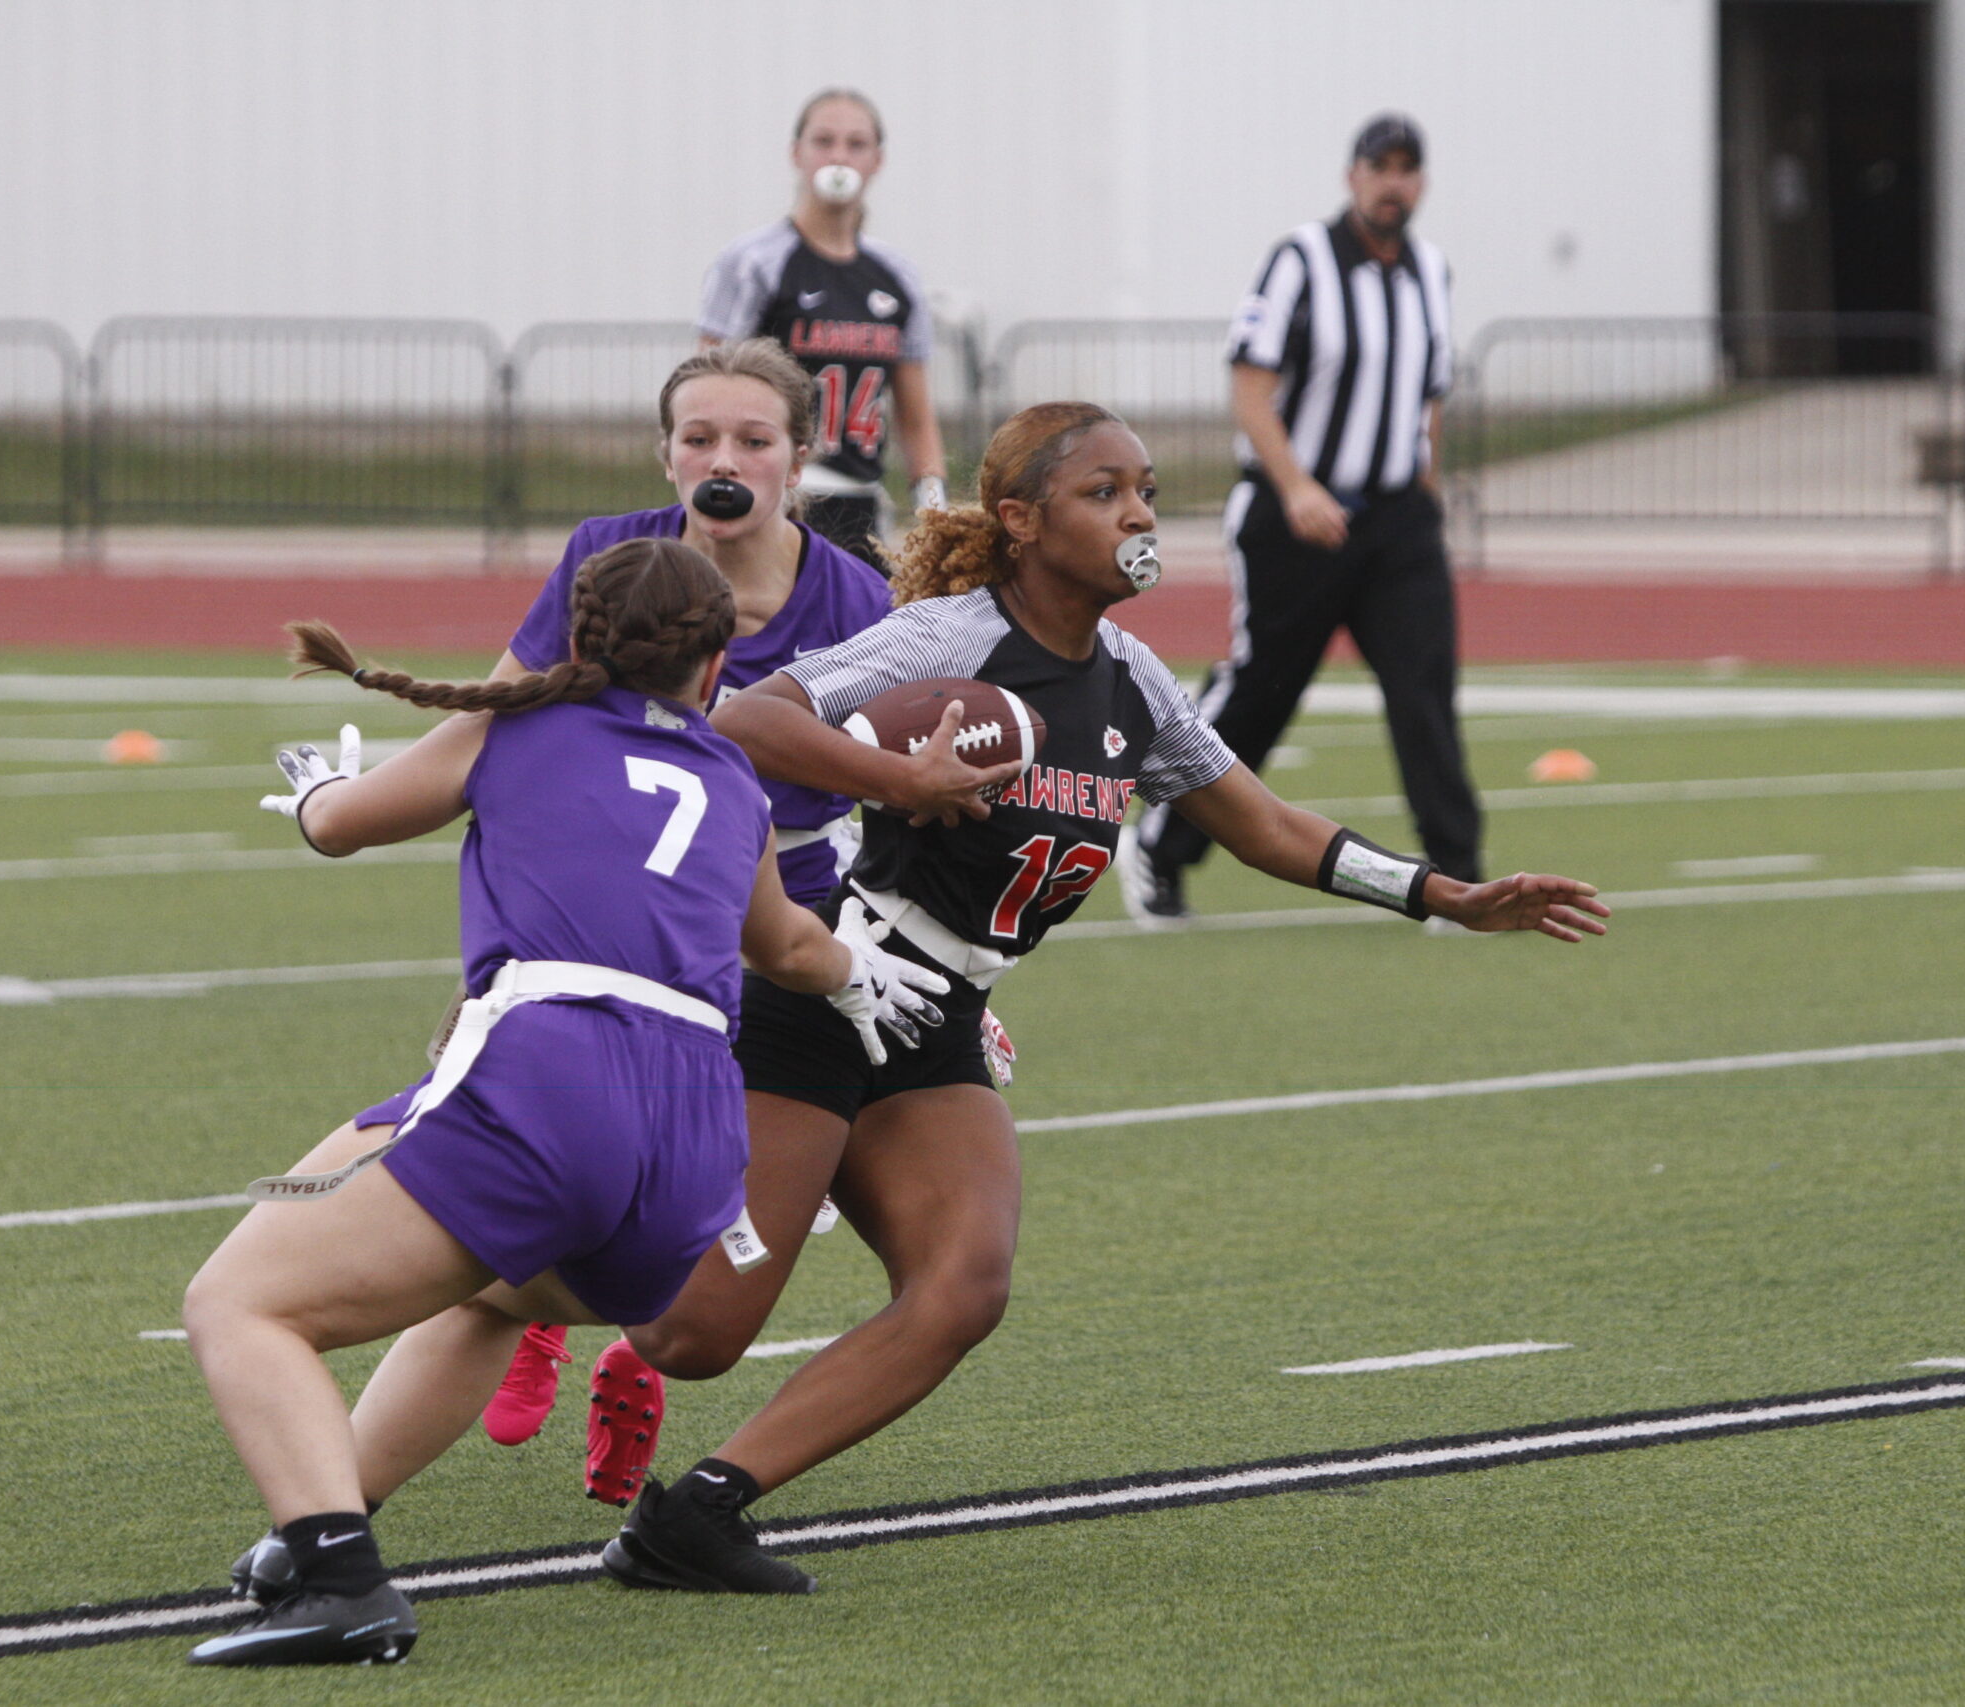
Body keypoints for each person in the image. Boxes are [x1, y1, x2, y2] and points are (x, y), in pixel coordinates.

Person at [579, 401, 1608, 1594]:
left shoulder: (1130, 678)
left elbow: (1266, 826)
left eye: (1146, 491)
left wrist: (1442, 895)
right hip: (829, 991)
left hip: (942, 1021)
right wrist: (894, 774)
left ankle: (696, 1516)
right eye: (1103, 493)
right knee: (690, 1338)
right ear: (1019, 521)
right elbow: (750, 717)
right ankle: (514, 1269)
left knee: (963, 1288)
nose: (1136, 515)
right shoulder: (944, 638)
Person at [179, 538, 947, 1664]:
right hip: (692, 1147)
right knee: (487, 1293)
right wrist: (862, 973)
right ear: (717, 660)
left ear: (576, 638)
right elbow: (787, 945)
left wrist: (318, 789)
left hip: (551, 1082)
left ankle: (341, 1580)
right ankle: (316, 1537)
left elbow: (341, 827)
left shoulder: (513, 725)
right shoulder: (731, 776)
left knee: (237, 1302)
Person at [465, 339, 1014, 1487]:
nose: (725, 459)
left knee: (733, 1184)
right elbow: (514, 710)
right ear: (665, 454)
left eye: (753, 440)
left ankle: (636, 1354)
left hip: (793, 920)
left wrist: (941, 978)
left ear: (799, 460)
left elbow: (905, 802)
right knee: (573, 1122)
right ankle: (538, 1312)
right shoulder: (605, 556)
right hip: (621, 908)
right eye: (700, 438)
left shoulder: (859, 595)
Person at [1121, 112, 1485, 929]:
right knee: (1261, 693)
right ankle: (1161, 849)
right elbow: (1250, 390)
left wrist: (1425, 488)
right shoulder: (1303, 262)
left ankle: (1459, 881)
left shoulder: (1432, 270)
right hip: (1297, 512)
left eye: (1407, 169)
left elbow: (1426, 396)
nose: (1393, 183)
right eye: (1379, 166)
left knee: (1425, 689)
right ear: (1352, 175)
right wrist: (1297, 488)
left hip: (1396, 520)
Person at [697, 87, 949, 569]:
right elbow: (705, 389)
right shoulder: (753, 263)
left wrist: (933, 507)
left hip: (860, 503)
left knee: (870, 639)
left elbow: (916, 417)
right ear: (798, 153)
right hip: (775, 498)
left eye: (856, 144)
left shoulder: (896, 276)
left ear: (877, 159)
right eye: (824, 141)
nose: (839, 156)